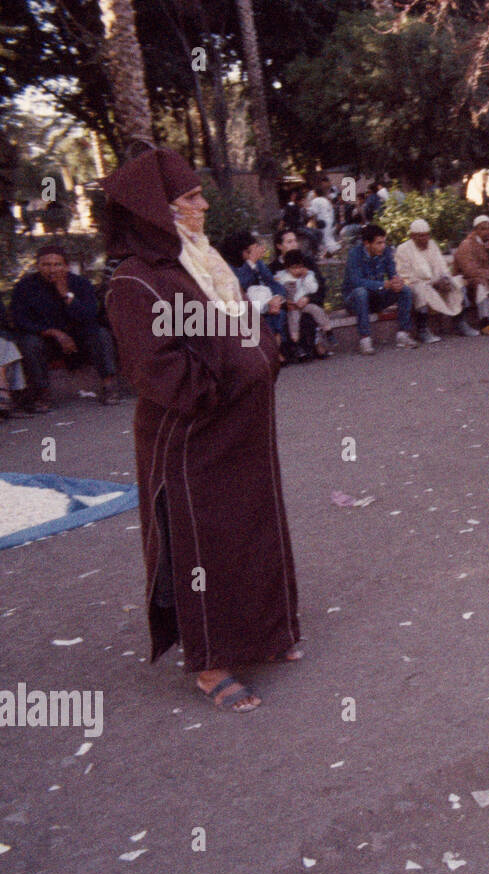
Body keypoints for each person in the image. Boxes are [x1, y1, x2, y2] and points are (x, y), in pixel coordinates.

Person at [102, 147, 300, 712]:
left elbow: (241, 324)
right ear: (156, 210)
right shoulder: (137, 280)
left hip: (243, 430)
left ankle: (264, 635)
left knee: (251, 529)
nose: (203, 204)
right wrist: (221, 391)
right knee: (201, 544)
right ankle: (211, 662)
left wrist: (262, 357)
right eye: (190, 197)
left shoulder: (201, 258)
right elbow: (155, 368)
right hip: (193, 437)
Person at [10, 244, 120, 412]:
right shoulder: (25, 287)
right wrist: (54, 333)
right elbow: (20, 320)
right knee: (29, 343)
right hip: (47, 340)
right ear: (37, 266)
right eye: (46, 265)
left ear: (66, 266)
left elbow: (90, 315)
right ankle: (42, 394)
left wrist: (66, 294)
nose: (52, 269)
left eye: (57, 264)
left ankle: (109, 386)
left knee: (100, 334)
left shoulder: (80, 284)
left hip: (79, 340)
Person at [394, 218, 478, 339]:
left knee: (458, 282)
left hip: (437, 282)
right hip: (418, 284)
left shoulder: (432, 244)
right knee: (420, 290)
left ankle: (460, 323)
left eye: (427, 235)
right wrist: (433, 283)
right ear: (413, 236)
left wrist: (445, 279)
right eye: (421, 236)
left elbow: (442, 266)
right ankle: (422, 330)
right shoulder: (403, 249)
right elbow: (405, 276)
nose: (425, 239)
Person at [343, 223, 415, 354]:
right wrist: (382, 285)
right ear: (367, 243)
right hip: (355, 301)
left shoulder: (386, 251)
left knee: (405, 290)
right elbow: (356, 281)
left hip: (377, 298)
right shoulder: (355, 254)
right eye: (378, 243)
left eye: (384, 242)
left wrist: (396, 281)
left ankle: (403, 335)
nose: (383, 246)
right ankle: (365, 339)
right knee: (361, 292)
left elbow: (392, 271)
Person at [221, 231, 290, 360]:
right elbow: (238, 286)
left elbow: (272, 282)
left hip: (261, 302)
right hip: (238, 305)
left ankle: (273, 350)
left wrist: (278, 298)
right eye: (249, 252)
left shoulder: (258, 263)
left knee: (276, 313)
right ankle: (269, 352)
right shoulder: (227, 266)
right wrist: (250, 264)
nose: (252, 255)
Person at [271, 229, 331, 356]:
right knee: (289, 317)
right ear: (279, 246)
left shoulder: (306, 262)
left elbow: (320, 285)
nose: (294, 244)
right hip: (287, 305)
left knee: (310, 313)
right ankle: (294, 349)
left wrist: (308, 298)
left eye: (295, 241)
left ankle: (315, 344)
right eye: (289, 242)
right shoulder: (273, 268)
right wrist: (285, 303)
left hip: (306, 301)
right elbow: (272, 291)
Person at [308, 176, 341, 255]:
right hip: (330, 220)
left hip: (323, 221)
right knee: (329, 237)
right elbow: (332, 210)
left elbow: (313, 213)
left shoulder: (315, 201)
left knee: (325, 238)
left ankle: (334, 250)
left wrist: (314, 222)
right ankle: (333, 250)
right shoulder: (326, 200)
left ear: (315, 194)